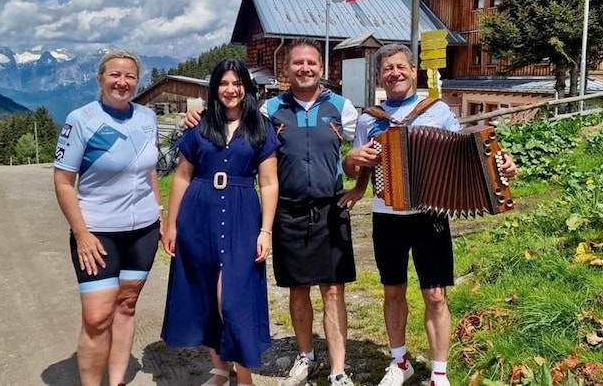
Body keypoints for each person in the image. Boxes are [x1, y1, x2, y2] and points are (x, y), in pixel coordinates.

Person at [185, 38, 361, 386]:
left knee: (333, 290)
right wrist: (198, 116)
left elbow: (363, 153)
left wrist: (360, 186)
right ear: (287, 69)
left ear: (322, 69)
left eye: (311, 63)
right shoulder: (269, 111)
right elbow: (232, 131)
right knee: (297, 289)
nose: (305, 68)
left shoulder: (343, 107)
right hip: (288, 212)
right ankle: (306, 355)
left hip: (330, 209)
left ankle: (338, 370)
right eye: (298, 63)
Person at [343, 44, 518, 386]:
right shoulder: (369, 119)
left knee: (435, 294)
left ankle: (439, 373)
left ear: (412, 71)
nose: (393, 73)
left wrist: (502, 164)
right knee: (393, 291)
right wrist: (353, 165)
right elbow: (354, 168)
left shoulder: (437, 112)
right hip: (387, 216)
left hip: (430, 214)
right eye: (387, 69)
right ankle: (400, 363)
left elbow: (469, 151)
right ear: (379, 76)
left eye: (399, 67)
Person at [161, 59, 280, 386]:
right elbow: (182, 178)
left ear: (246, 87)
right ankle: (219, 370)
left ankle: (245, 377)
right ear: (214, 88)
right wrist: (171, 225)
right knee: (207, 297)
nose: (231, 90)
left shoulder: (261, 127)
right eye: (224, 83)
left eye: (237, 83)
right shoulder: (198, 126)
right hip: (199, 214)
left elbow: (269, 183)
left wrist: (265, 231)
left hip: (243, 216)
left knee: (234, 299)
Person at [53, 50, 162, 386]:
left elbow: (151, 171)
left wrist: (157, 211)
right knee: (98, 316)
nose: (122, 82)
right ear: (100, 79)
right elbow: (63, 181)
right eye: (114, 75)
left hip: (143, 230)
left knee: (126, 306)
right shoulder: (81, 119)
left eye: (130, 76)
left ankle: (116, 381)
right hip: (97, 232)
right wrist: (82, 234)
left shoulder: (147, 117)